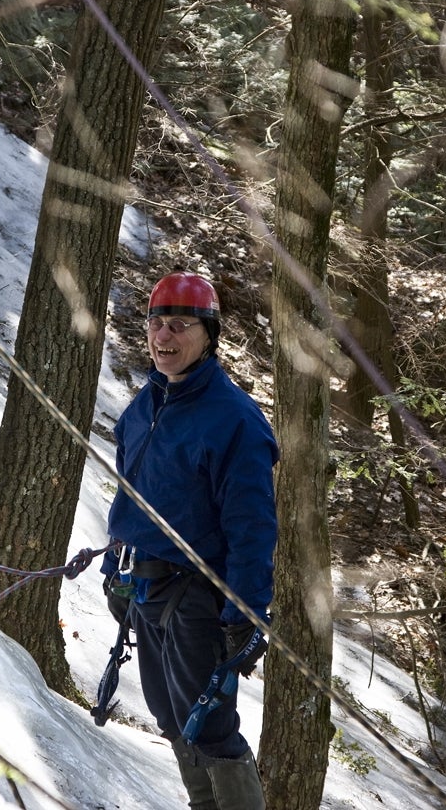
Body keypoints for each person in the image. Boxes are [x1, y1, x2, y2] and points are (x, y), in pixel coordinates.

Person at [100, 271, 279, 810]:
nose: (162, 337)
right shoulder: (146, 405)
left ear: (208, 335)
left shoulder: (235, 421)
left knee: (209, 726)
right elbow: (132, 494)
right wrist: (116, 565)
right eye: (156, 323)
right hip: (145, 585)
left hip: (199, 596)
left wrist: (244, 612)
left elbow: (252, 528)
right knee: (170, 714)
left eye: (179, 325)